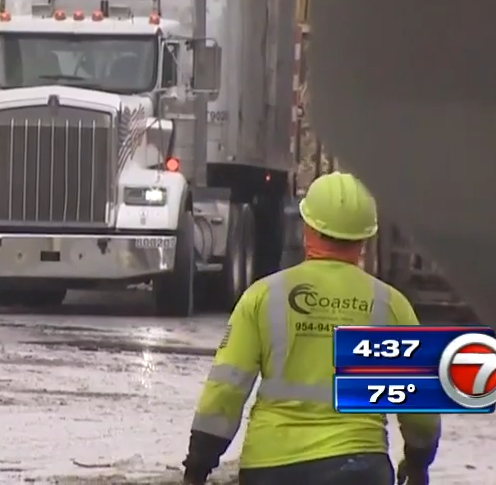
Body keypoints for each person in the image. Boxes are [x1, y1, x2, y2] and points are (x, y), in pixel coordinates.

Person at [182, 171, 442, 485]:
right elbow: (421, 414)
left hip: (273, 466)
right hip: (360, 467)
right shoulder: (391, 305)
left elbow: (225, 390)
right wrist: (417, 462)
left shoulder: (264, 297)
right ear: (364, 237)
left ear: (307, 228)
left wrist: (199, 463)